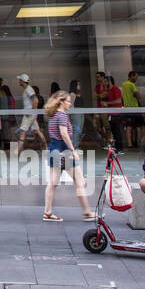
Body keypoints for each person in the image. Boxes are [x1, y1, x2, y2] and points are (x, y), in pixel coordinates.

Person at [43, 91, 97, 222]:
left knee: (53, 183)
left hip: (54, 149)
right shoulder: (61, 115)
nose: (70, 103)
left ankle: (48, 212)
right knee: (80, 181)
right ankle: (87, 212)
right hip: (64, 150)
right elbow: (64, 134)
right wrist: (73, 150)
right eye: (67, 101)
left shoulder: (54, 115)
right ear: (61, 102)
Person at [15, 74, 45, 149]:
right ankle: (46, 148)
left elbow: (36, 100)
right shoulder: (27, 89)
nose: (19, 81)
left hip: (29, 115)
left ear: (22, 81)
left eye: (19, 80)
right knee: (37, 131)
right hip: (31, 114)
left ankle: (17, 153)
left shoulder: (28, 89)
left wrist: (31, 112)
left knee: (22, 132)